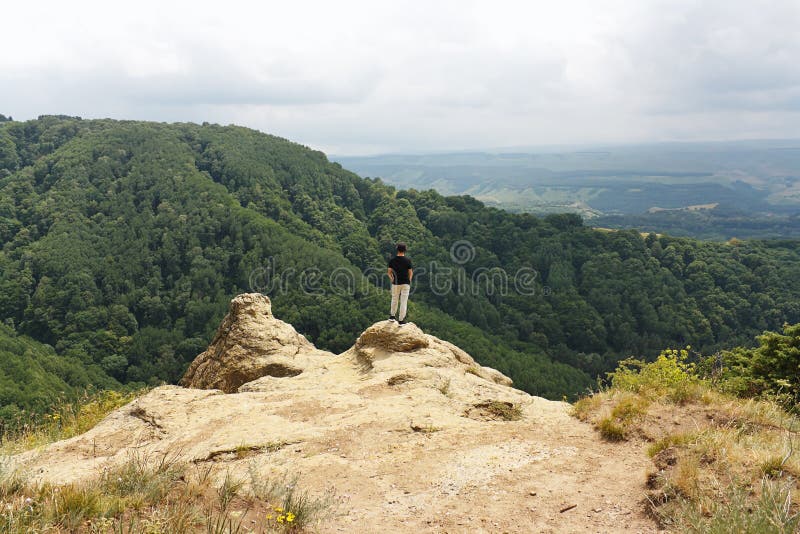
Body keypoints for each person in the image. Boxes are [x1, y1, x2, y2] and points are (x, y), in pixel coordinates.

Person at [387, 242, 413, 324]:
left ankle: (392, 316)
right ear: (405, 250)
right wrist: (409, 281)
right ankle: (401, 320)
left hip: (396, 283)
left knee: (394, 299)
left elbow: (389, 272)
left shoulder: (392, 260)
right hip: (405, 283)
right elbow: (410, 272)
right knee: (403, 301)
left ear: (397, 250)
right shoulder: (408, 260)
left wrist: (392, 279)